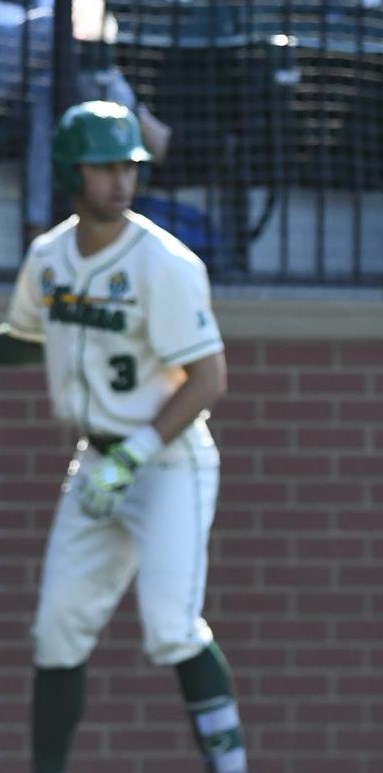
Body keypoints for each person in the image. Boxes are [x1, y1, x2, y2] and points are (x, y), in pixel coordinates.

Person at [0, 101, 246, 773]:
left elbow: (208, 377)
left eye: (128, 166)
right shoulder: (49, 255)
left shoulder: (163, 262)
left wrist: (136, 450)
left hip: (165, 461)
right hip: (96, 461)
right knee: (56, 630)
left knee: (171, 628)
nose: (119, 180)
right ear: (70, 171)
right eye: (103, 166)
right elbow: (27, 341)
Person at [0, 0, 172, 244]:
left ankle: (37, 226)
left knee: (46, 96)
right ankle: (135, 116)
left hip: (36, 81)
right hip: (19, 52)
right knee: (58, 28)